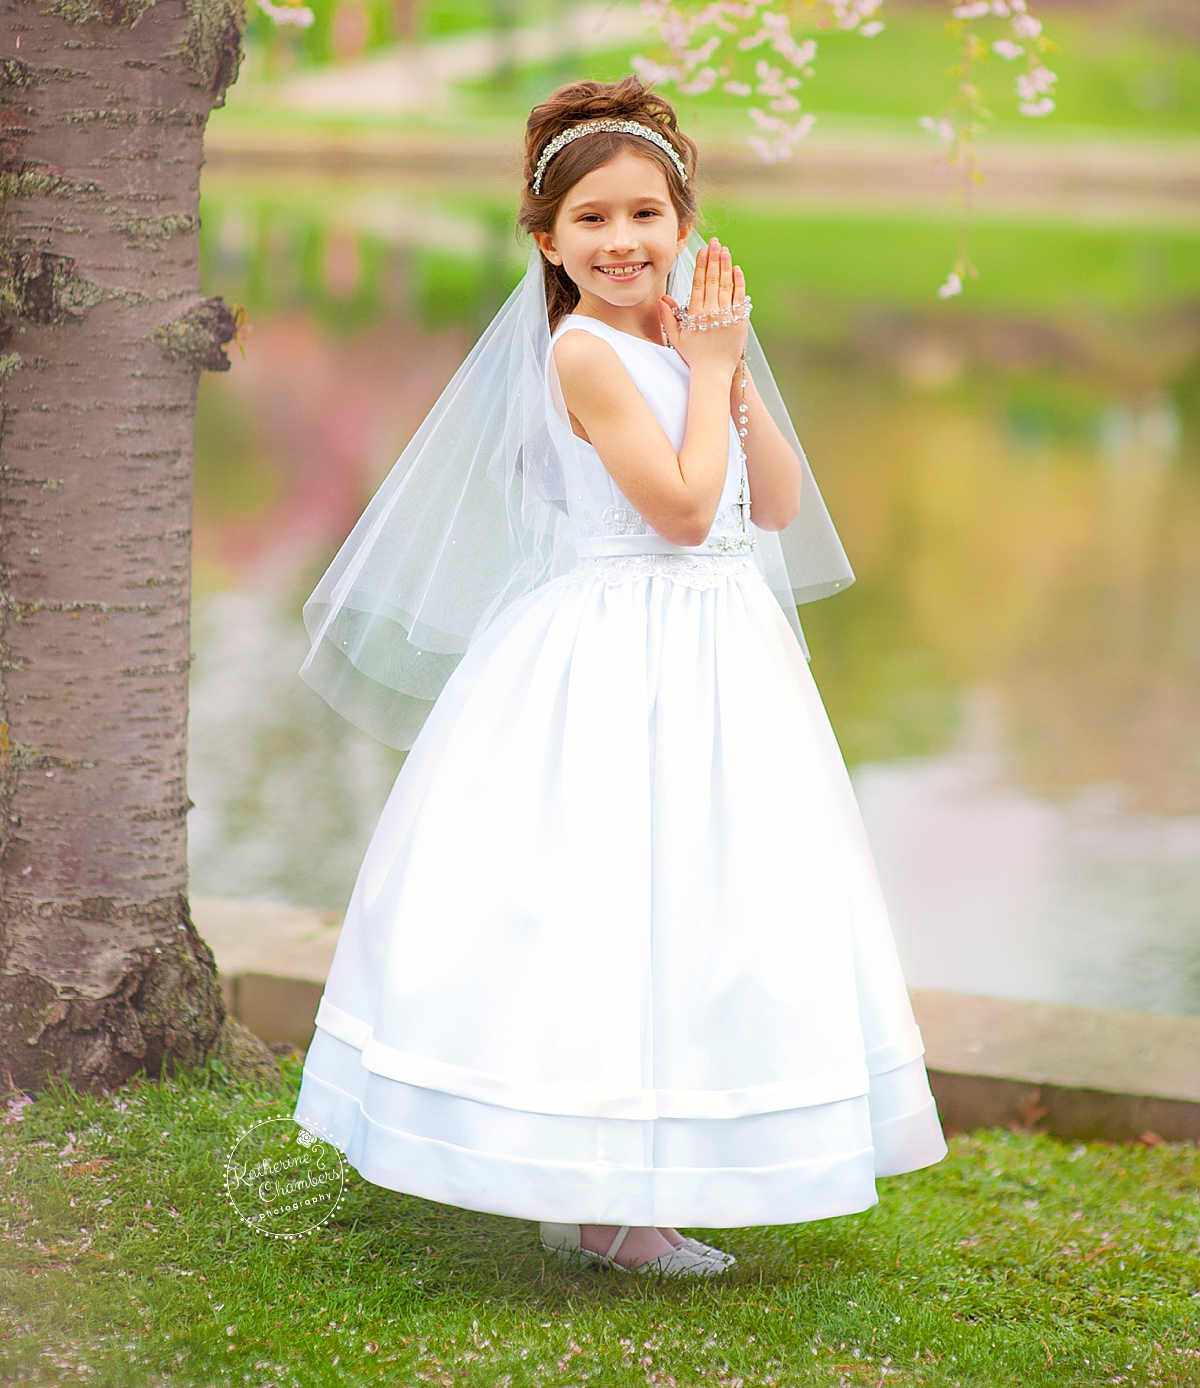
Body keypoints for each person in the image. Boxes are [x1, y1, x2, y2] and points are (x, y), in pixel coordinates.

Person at [291, 77, 947, 1277]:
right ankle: (603, 1198)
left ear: (684, 222)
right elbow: (687, 515)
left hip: (714, 648)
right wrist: (705, 378)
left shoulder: (685, 338)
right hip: (619, 651)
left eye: (648, 214)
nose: (624, 241)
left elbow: (778, 504)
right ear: (547, 241)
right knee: (612, 896)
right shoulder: (588, 352)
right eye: (591, 220)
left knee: (697, 900)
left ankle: (634, 1182)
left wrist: (730, 377)